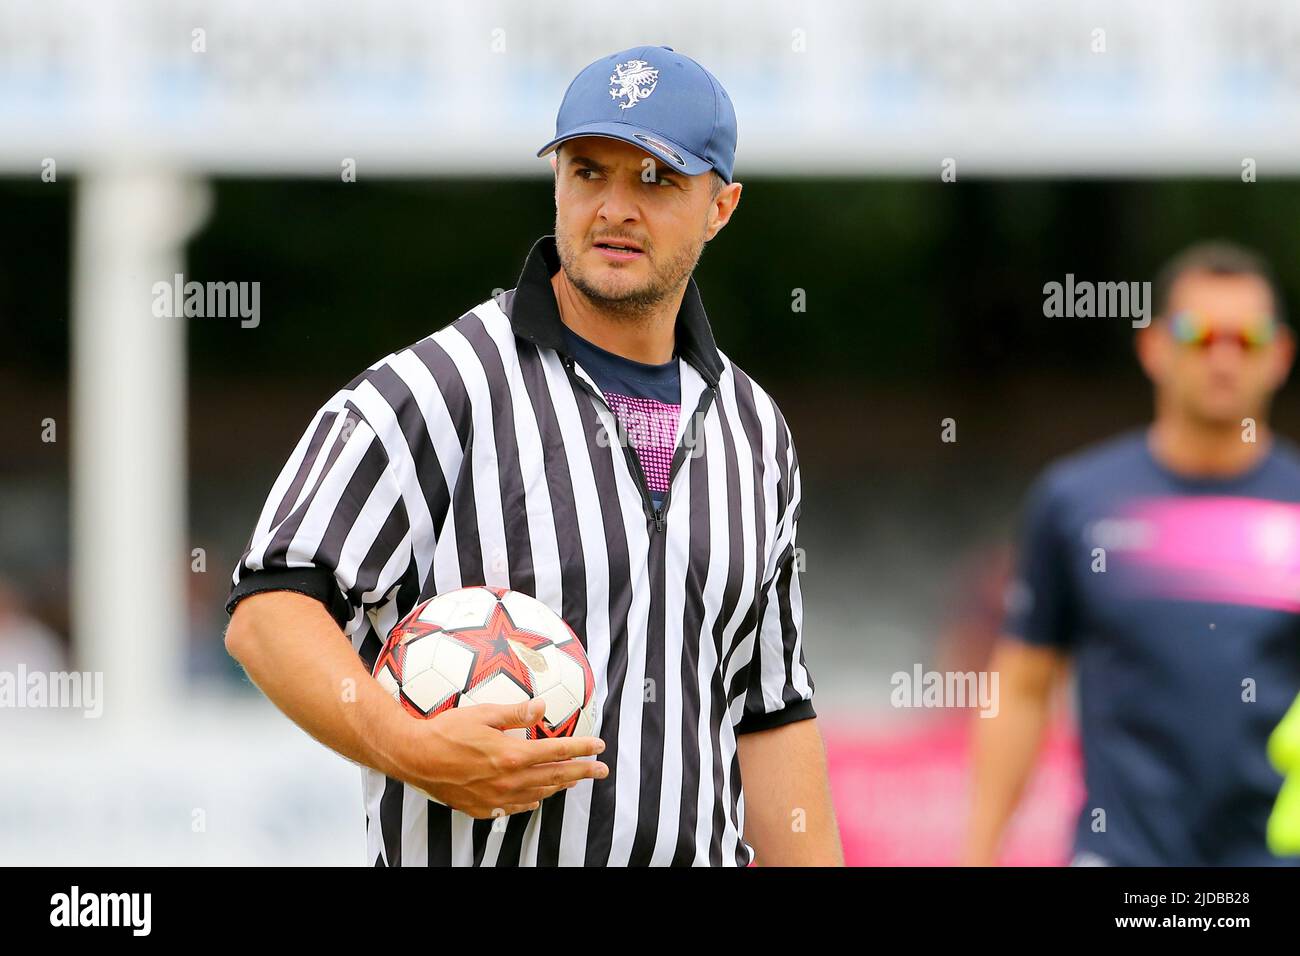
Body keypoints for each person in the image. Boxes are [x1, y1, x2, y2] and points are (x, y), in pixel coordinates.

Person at [224, 45, 842, 867]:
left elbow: (771, 712)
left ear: (721, 207)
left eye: (655, 179)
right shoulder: (438, 388)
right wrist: (410, 749)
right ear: (558, 183)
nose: (616, 207)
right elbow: (269, 613)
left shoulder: (755, 429)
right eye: (589, 172)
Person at [966, 240, 1300, 866]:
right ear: (1153, 347)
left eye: (1246, 337)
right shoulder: (1076, 501)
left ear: (1279, 354)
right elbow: (1022, 690)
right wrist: (978, 855)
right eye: (1199, 334)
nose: (1223, 358)